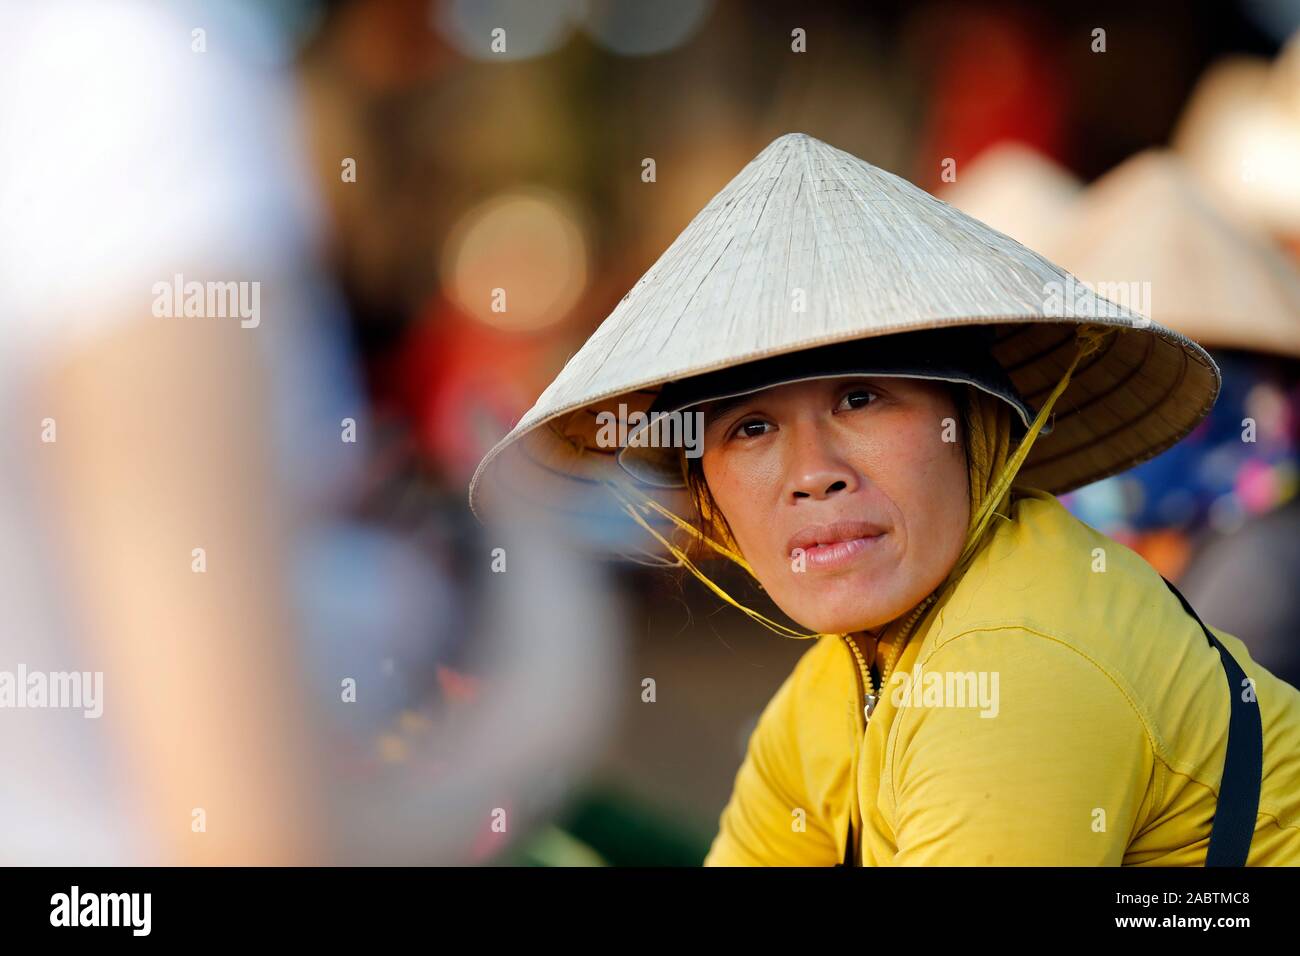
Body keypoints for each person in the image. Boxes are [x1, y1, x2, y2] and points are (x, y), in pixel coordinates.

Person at [470, 132, 1300, 865]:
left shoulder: (1018, 662)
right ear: (707, 494)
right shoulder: (834, 693)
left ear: (977, 429)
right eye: (751, 429)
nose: (813, 471)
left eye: (862, 399)